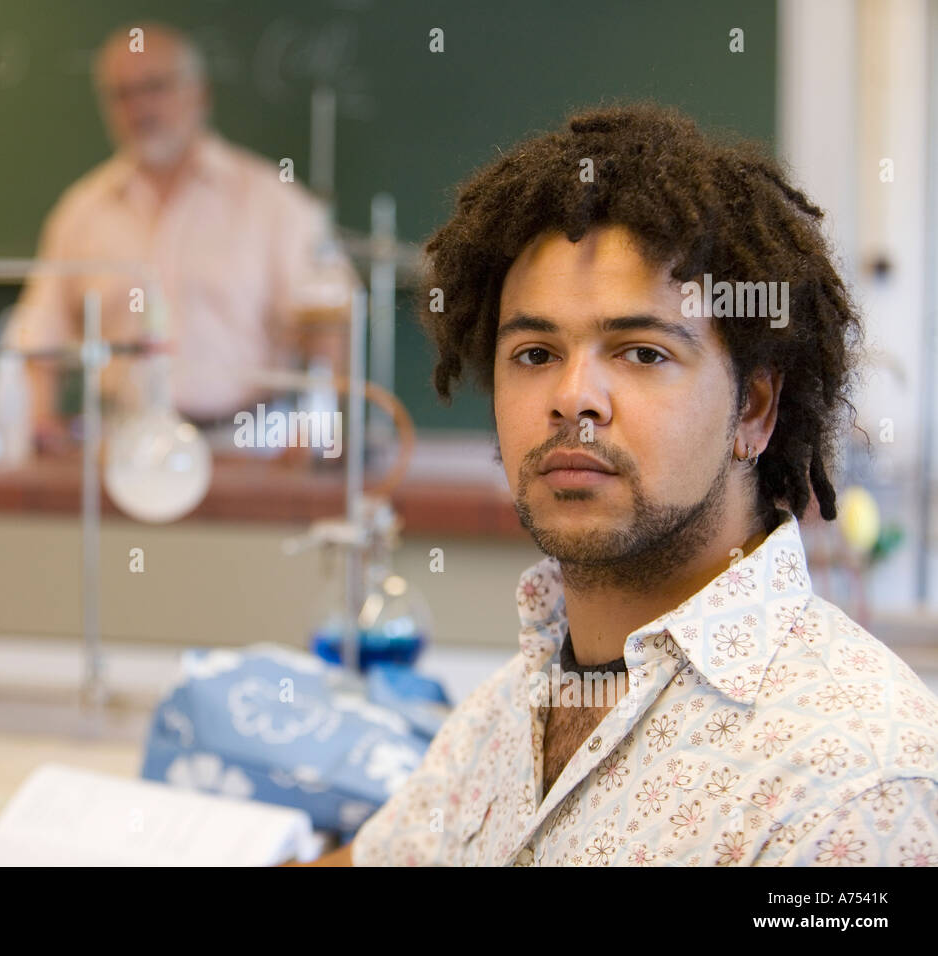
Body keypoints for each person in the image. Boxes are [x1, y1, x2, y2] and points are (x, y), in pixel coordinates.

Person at [305, 102, 938, 866]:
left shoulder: (854, 785)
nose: (574, 398)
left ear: (755, 410)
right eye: (535, 353)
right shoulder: (510, 706)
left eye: (641, 353)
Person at [3, 22, 352, 453]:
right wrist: (40, 423)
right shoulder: (81, 211)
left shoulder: (274, 203)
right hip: (125, 445)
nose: (140, 108)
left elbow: (329, 321)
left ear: (200, 93)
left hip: (251, 444)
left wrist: (319, 425)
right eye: (121, 94)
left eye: (155, 87)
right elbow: (40, 336)